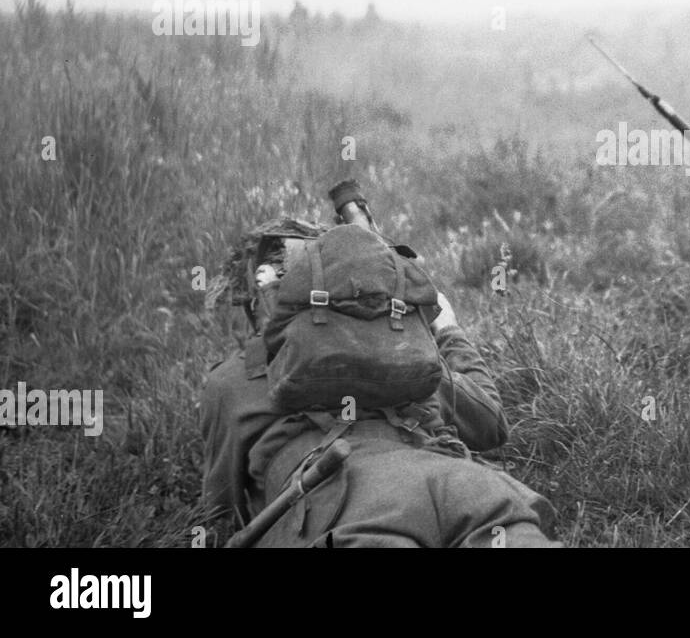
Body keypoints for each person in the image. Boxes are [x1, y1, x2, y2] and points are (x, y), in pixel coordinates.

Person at [200, 187, 560, 548]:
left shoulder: (234, 380)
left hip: (349, 507)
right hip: (462, 486)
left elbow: (220, 513)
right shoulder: (408, 360)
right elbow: (491, 424)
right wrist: (447, 331)